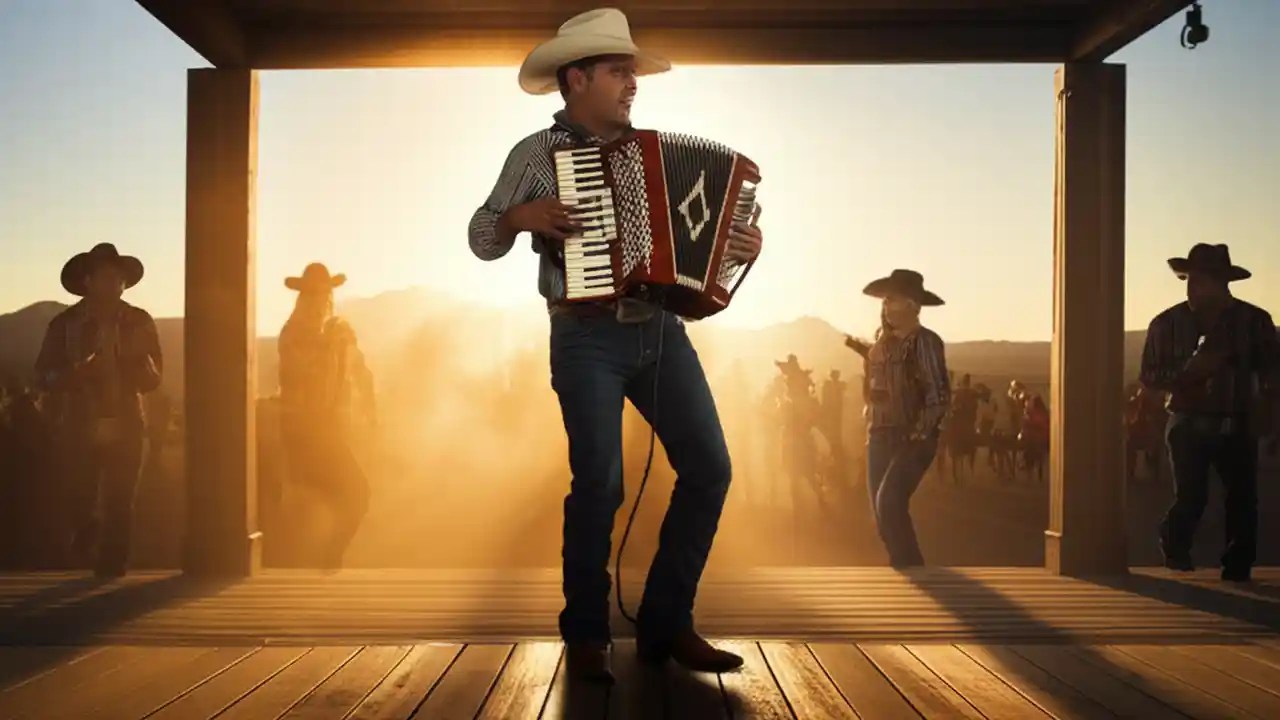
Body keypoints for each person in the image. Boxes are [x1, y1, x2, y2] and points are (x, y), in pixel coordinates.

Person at [467, 7, 763, 683]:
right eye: (618, 72)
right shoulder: (536, 157)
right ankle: (588, 634)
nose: (632, 84)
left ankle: (667, 623)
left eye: (632, 72)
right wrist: (519, 216)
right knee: (601, 483)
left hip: (662, 332)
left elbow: (716, 237)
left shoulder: (653, 151)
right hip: (585, 339)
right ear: (577, 79)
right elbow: (481, 237)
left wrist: (743, 246)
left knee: (710, 469)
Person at [1140, 243, 1278, 582]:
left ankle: (1238, 566)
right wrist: (1188, 377)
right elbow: (1149, 375)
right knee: (1191, 496)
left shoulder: (1254, 322)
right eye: (1189, 278)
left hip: (1237, 422)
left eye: (1200, 279)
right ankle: (1175, 547)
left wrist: (1268, 410)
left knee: (1243, 497)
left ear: (1221, 282)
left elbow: (1275, 370)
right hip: (1187, 423)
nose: (1192, 286)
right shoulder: (1166, 324)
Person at [35, 243, 163, 578]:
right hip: (79, 421)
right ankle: (87, 532)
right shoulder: (64, 325)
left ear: (124, 283)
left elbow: (154, 377)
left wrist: (134, 367)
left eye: (117, 277)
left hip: (127, 419)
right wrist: (75, 374)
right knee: (79, 491)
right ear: (88, 280)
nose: (112, 283)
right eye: (105, 276)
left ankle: (112, 567)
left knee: (121, 497)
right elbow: (43, 375)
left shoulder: (139, 321)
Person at [277, 263, 376, 571]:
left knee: (346, 496)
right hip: (304, 430)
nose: (321, 299)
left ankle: (325, 559)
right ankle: (326, 560)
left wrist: (371, 410)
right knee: (354, 492)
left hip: (329, 430)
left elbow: (360, 370)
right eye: (313, 294)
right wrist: (328, 344)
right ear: (303, 297)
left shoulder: (339, 331)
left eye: (325, 293)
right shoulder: (293, 333)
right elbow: (297, 374)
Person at [859, 270, 950, 568]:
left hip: (912, 439)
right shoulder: (880, 345)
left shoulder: (925, 342)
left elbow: (938, 394)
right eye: (884, 301)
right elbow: (873, 391)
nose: (886, 307)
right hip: (878, 435)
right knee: (882, 512)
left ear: (912, 305)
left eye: (893, 300)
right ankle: (907, 569)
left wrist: (919, 431)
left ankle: (914, 571)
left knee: (889, 502)